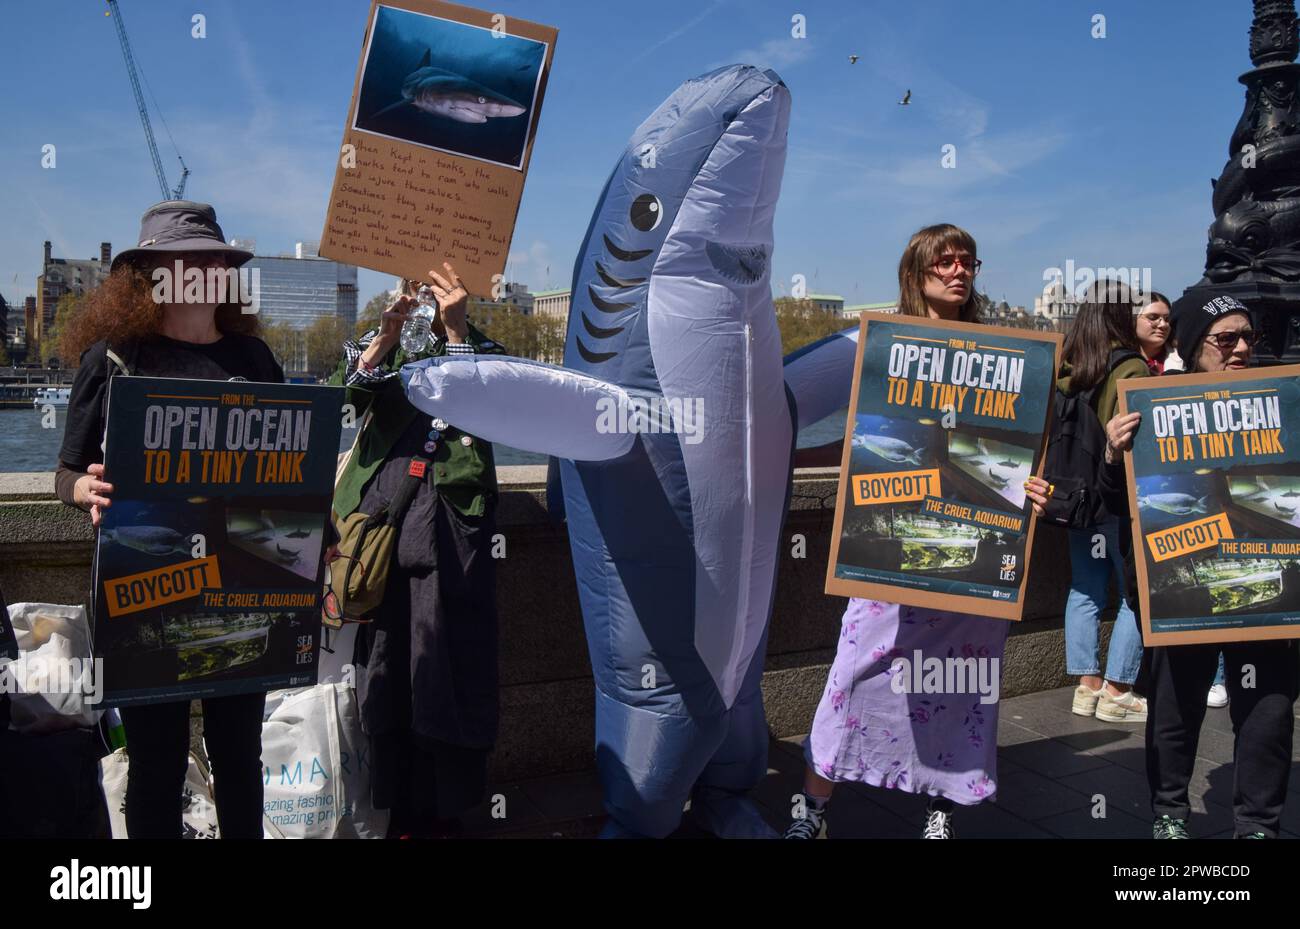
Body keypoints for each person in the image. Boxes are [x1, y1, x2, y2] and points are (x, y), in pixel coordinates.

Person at [784, 224, 1051, 839]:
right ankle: (812, 809)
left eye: (967, 262)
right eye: (944, 262)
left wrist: (1034, 487)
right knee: (854, 674)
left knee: (961, 688)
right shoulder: (875, 345)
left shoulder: (1003, 358)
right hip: (890, 553)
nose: (958, 271)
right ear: (917, 271)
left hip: (974, 558)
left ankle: (941, 808)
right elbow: (789, 402)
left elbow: (1018, 451)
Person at [56, 200, 282, 838]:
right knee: (155, 763)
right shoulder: (111, 357)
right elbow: (66, 470)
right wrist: (84, 492)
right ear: (149, 275)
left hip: (241, 588)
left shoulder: (256, 359)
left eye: (209, 259)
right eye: (178, 260)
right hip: (143, 597)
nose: (195, 270)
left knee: (241, 756)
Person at [1108, 292, 1298, 839]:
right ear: (1194, 347)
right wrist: (1111, 455)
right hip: (1180, 587)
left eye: (1249, 337)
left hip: (1266, 583)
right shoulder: (1153, 405)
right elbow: (1113, 503)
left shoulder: (1281, 402)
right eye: (1225, 338)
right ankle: (1169, 814)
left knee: (1267, 709)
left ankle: (1258, 825)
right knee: (1174, 707)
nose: (1241, 348)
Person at [328, 263, 505, 839]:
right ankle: (396, 807)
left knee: (449, 664)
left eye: (438, 284)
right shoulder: (383, 337)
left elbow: (495, 409)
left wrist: (456, 335)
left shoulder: (480, 346)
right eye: (418, 281)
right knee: (384, 663)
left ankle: (443, 809)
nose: (426, 293)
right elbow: (336, 403)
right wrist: (383, 337)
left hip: (451, 527)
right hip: (381, 528)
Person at [1057, 281, 1150, 723]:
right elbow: (1134, 438)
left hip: (1074, 500)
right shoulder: (1130, 368)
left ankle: (1086, 687)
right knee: (1135, 594)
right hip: (1113, 496)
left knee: (1085, 589)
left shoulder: (1069, 368)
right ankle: (1117, 691)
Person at [1135, 293, 1181, 374]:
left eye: (1167, 319)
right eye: (1152, 317)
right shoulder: (1114, 360)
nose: (1163, 324)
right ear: (1133, 320)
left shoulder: (1185, 360)